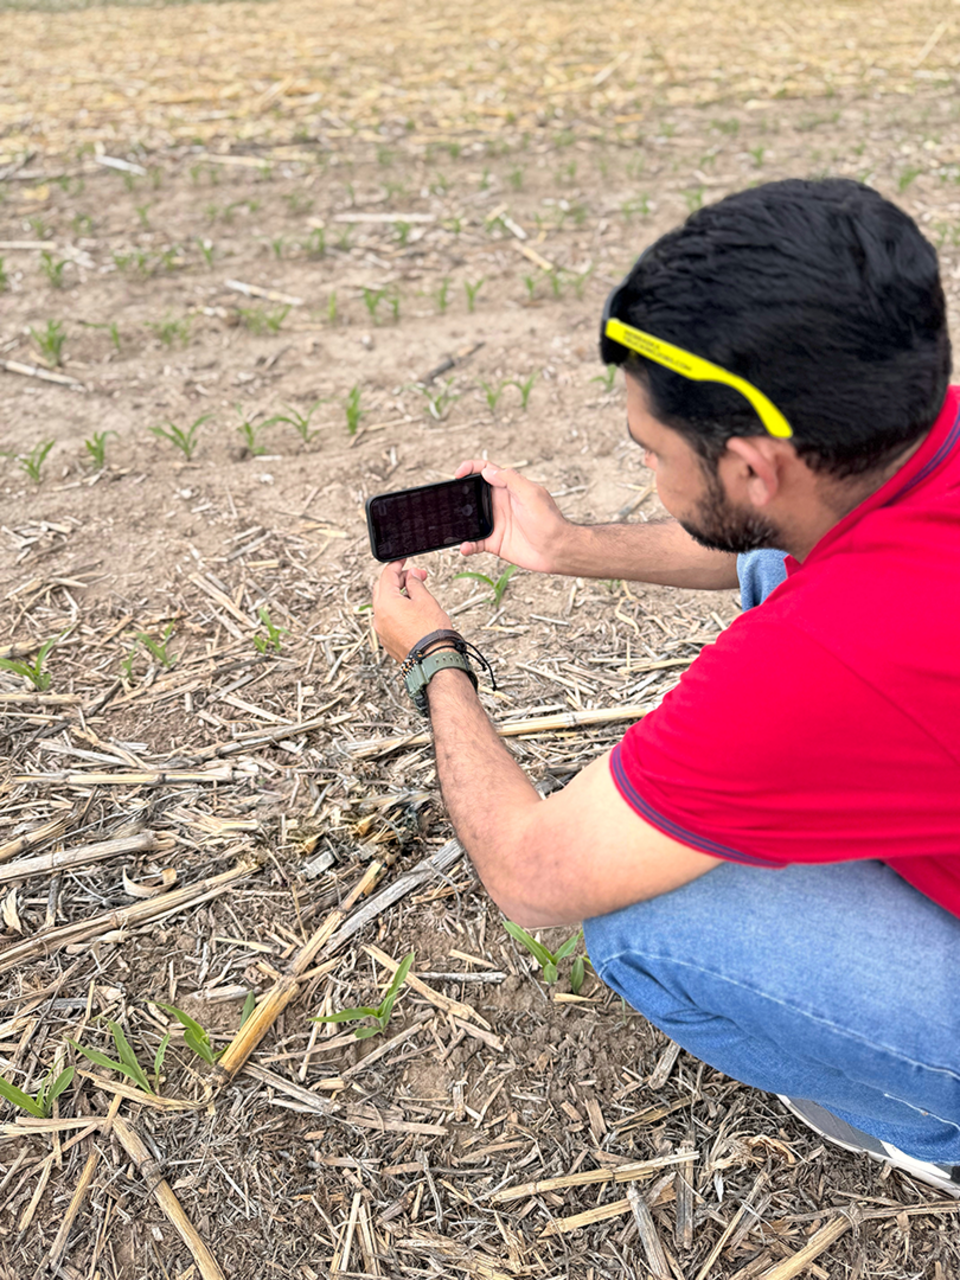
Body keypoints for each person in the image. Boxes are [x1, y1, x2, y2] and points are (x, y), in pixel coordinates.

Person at [372, 178, 960, 1197]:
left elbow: (531, 871)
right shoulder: (914, 436)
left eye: (649, 449)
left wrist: (434, 655)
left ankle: (938, 1131)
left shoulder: (826, 659)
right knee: (787, 568)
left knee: (648, 923)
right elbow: (790, 545)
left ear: (750, 467)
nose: (647, 465)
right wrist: (561, 546)